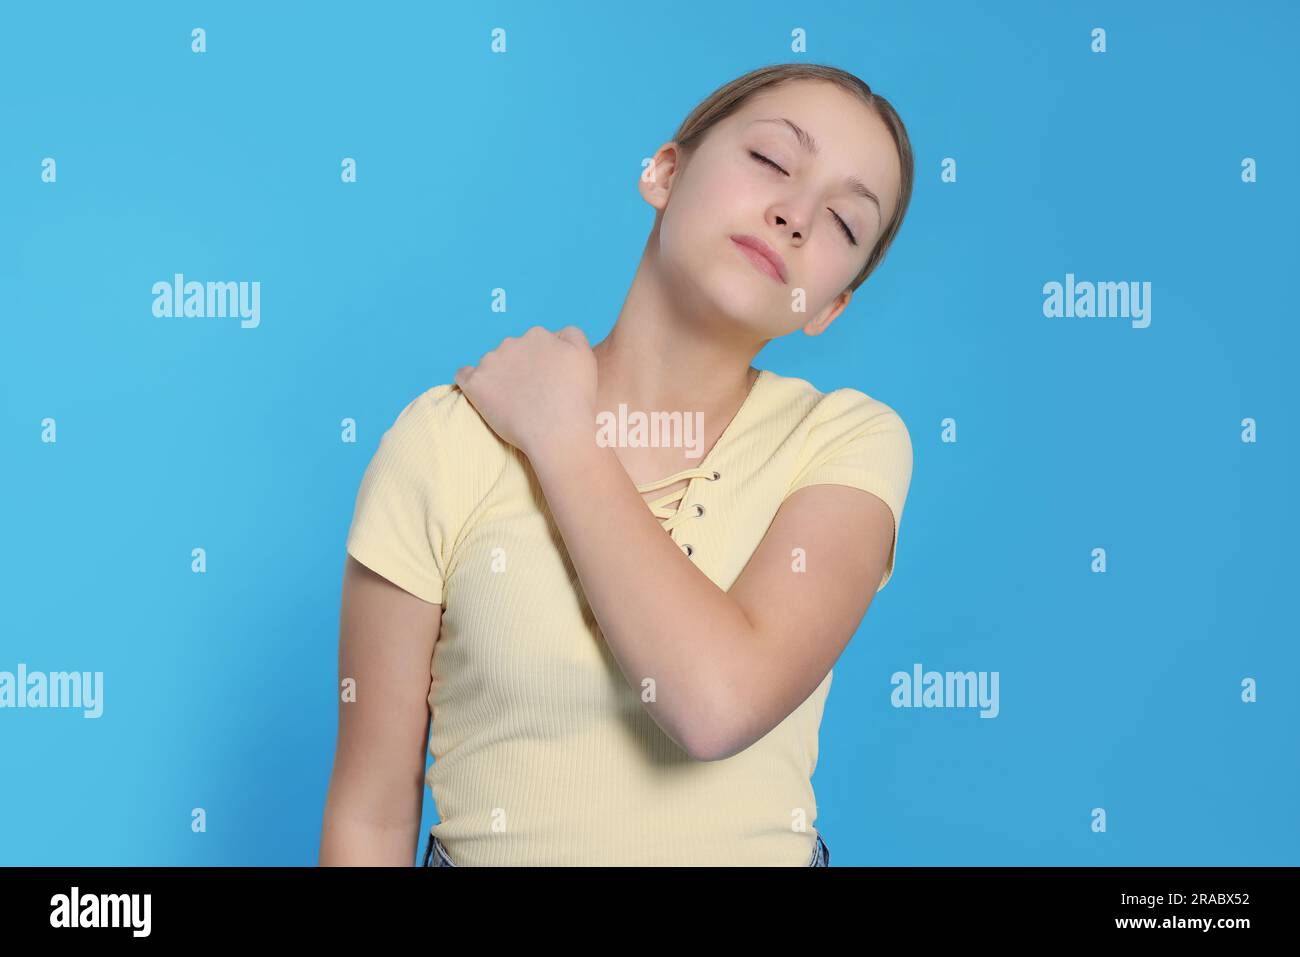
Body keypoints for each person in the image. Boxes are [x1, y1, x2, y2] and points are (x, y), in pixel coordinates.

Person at [320, 62, 915, 867]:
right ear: (664, 172)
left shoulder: (847, 441)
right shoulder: (446, 440)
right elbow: (369, 816)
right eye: (773, 162)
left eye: (845, 223)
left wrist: (563, 434)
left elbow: (716, 705)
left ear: (834, 306)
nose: (795, 216)